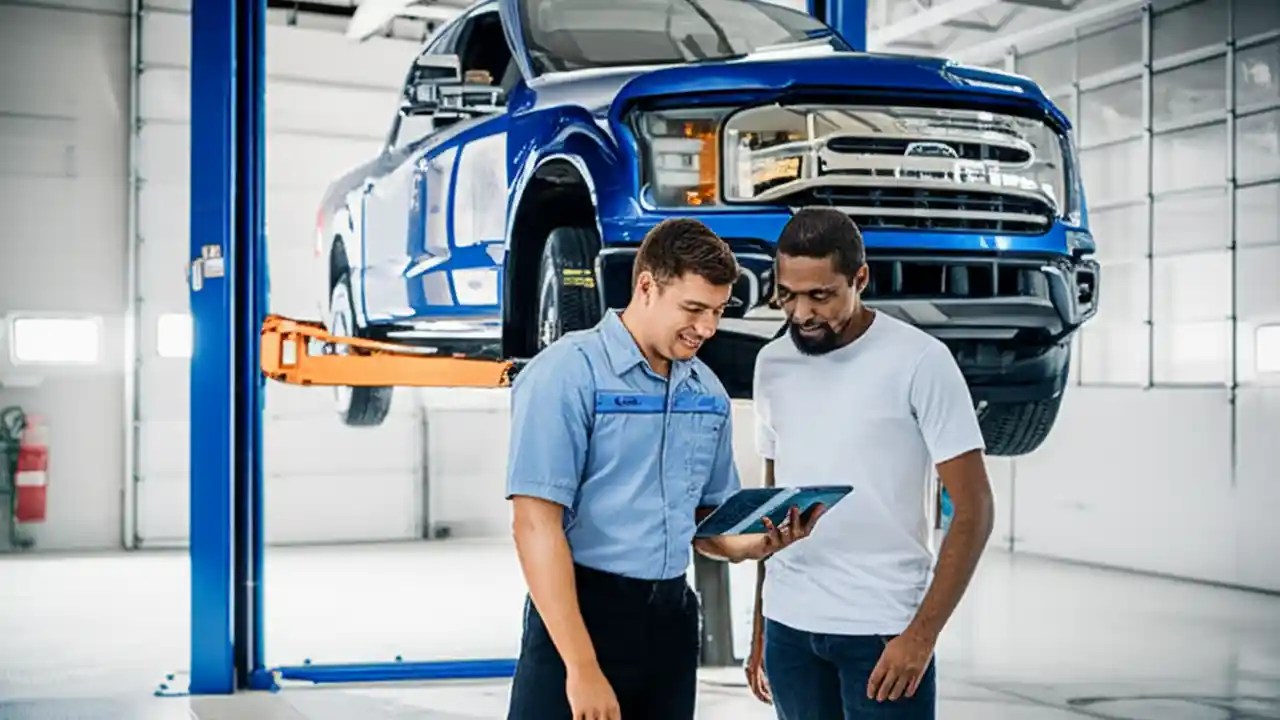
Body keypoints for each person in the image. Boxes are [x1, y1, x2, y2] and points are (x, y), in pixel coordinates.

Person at [504, 217, 822, 720]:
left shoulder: (707, 394)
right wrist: (582, 668)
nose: (707, 328)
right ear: (647, 286)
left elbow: (708, 528)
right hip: (583, 615)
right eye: (693, 309)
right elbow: (534, 525)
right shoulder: (567, 373)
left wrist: (761, 541)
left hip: (670, 622)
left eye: (717, 311)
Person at [744, 207, 994, 719]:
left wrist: (920, 637)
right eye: (787, 295)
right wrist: (760, 627)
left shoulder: (920, 361)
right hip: (790, 629)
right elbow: (775, 502)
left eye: (821, 295)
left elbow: (975, 510)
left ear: (860, 278)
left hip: (883, 631)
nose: (801, 313)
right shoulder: (772, 363)